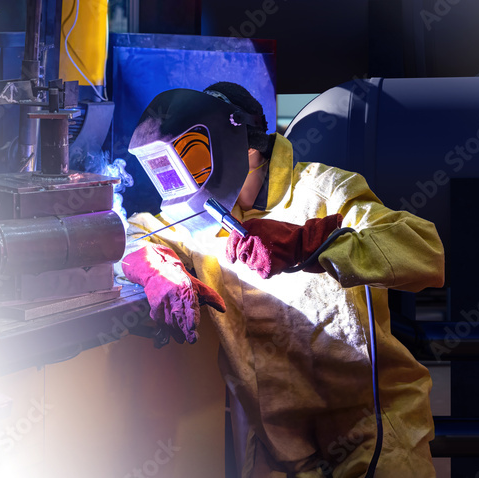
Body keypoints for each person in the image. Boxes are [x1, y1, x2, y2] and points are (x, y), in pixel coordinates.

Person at [118, 81, 445, 477]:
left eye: (196, 162)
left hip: (372, 437)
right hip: (278, 448)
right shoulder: (195, 221)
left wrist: (310, 244)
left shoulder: (324, 191)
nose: (187, 182)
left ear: (247, 150)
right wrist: (157, 271)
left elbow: (425, 250)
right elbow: (132, 235)